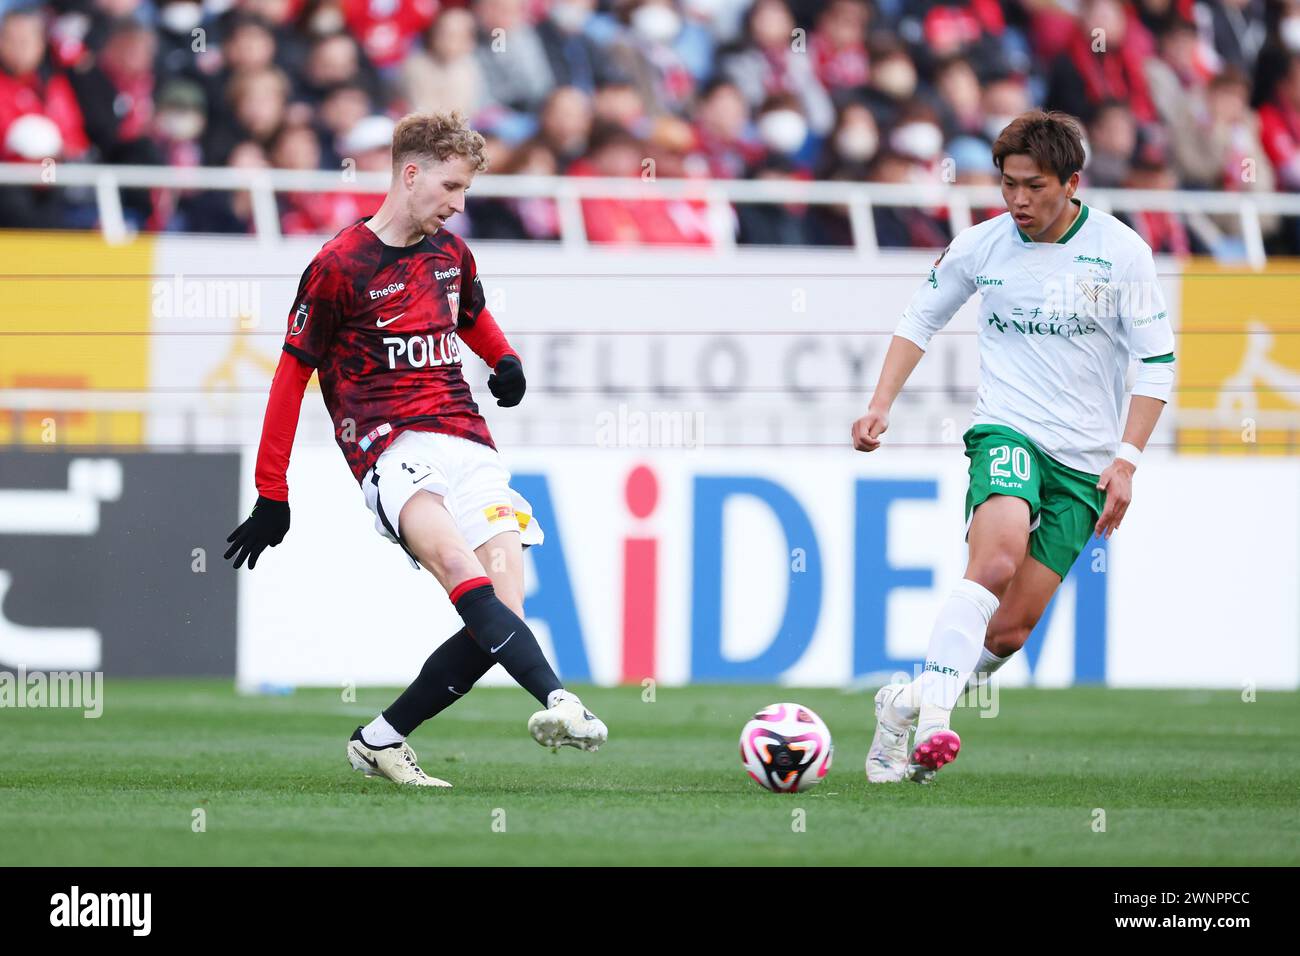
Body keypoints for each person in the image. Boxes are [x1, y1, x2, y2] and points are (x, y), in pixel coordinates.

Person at [223, 111, 608, 787]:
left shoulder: (451, 255)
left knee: (504, 614)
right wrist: (272, 491)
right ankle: (560, 700)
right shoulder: (339, 266)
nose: (459, 205)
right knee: (460, 567)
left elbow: (472, 318)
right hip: (390, 444)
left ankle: (381, 738)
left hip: (467, 438)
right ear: (411, 173)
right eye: (452, 188)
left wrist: (505, 359)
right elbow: (290, 378)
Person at [852, 111, 1176, 783]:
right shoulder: (982, 245)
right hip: (1008, 429)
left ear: (1072, 182)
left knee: (1007, 634)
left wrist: (1127, 462)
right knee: (995, 559)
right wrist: (880, 403)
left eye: (1033, 186)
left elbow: (1157, 364)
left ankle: (907, 702)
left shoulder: (1121, 254)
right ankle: (935, 726)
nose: (1018, 201)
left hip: (1086, 463)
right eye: (1007, 185)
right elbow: (921, 317)